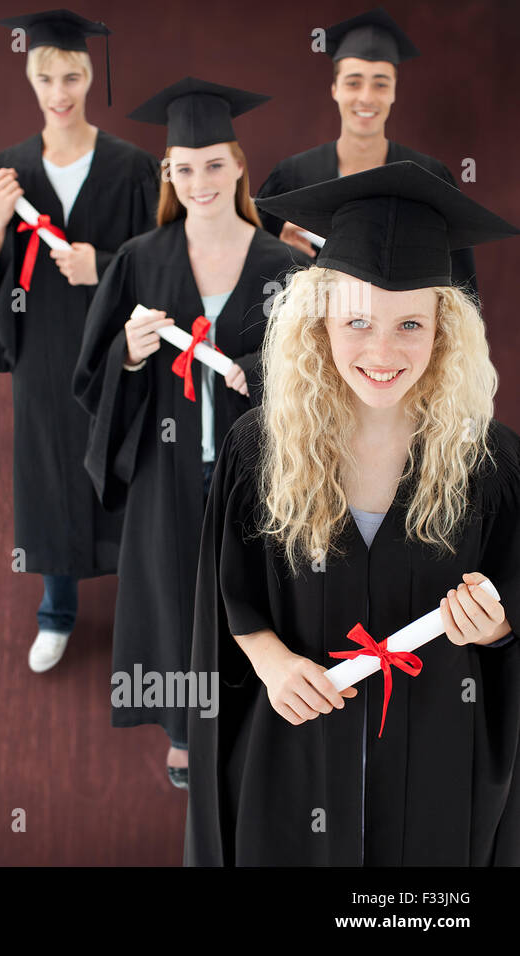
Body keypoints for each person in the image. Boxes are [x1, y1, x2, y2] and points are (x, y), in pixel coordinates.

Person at [186, 161, 520, 865]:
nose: (382, 350)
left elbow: (515, 600)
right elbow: (228, 597)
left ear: (444, 331)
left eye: (410, 324)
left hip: (436, 765)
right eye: (357, 320)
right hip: (296, 752)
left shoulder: (488, 462)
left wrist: (496, 628)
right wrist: (273, 663)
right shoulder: (261, 449)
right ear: (319, 321)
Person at [72, 78, 310, 788]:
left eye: (214, 164)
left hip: (254, 468)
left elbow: (315, 371)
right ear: (167, 175)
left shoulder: (285, 267)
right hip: (165, 467)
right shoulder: (141, 260)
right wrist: (132, 352)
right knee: (174, 596)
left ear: (238, 164)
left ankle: (249, 724)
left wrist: (255, 371)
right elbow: (94, 371)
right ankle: (182, 728)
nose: (200, 180)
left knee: (251, 593)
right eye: (184, 167)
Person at [0, 10, 158, 673]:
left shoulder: (133, 167)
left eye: (71, 75)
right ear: (30, 78)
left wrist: (100, 264)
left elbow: (165, 257)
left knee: (130, 471)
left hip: (118, 352)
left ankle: (145, 612)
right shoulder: (8, 172)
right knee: (51, 475)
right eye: (45, 76)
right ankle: (57, 612)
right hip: (44, 356)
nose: (60, 90)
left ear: (89, 73)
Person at [255, 7, 479, 300]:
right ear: (335, 88)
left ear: (394, 91)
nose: (366, 97)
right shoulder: (292, 178)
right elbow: (253, 274)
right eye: (353, 82)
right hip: (313, 340)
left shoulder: (430, 180)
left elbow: (459, 292)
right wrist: (282, 252)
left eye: (380, 83)